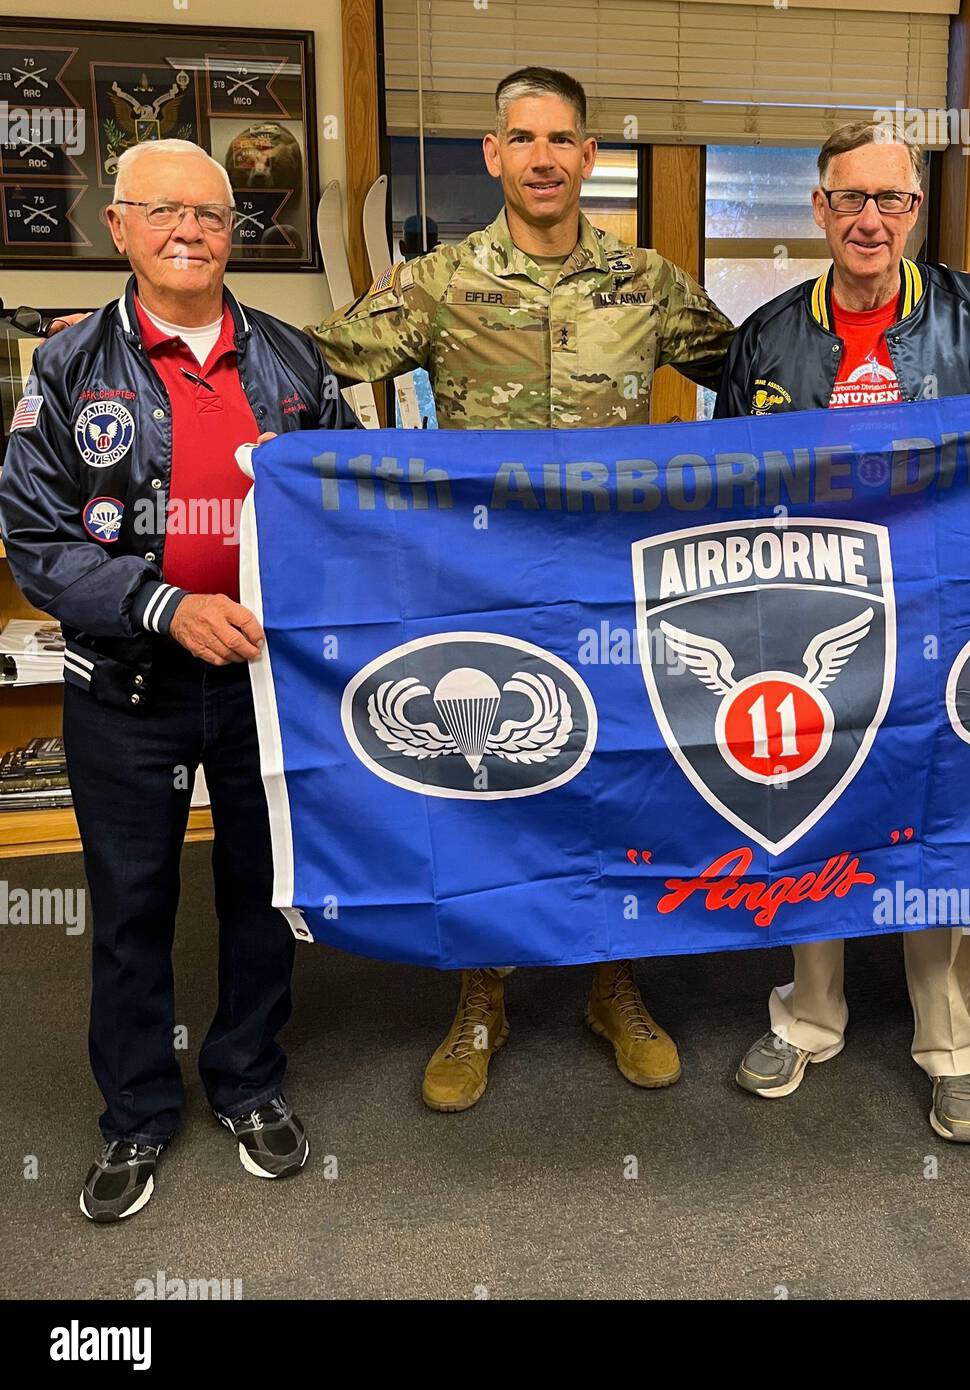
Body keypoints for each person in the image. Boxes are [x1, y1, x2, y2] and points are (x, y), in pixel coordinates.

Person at [305, 66, 735, 1111]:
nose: (543, 157)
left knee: (615, 775)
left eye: (563, 139)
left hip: (609, 579)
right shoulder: (438, 281)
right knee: (487, 776)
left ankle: (613, 982)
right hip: (481, 579)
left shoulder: (647, 280)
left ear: (590, 156)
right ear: (492, 155)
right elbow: (311, 365)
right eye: (521, 138)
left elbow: (764, 372)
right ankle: (480, 995)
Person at [0, 139, 358, 1221]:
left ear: (232, 232)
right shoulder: (65, 369)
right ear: (119, 227)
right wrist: (163, 605)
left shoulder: (294, 363)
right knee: (130, 909)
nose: (188, 231)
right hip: (128, 686)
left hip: (262, 685)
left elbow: (347, 502)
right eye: (161, 212)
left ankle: (249, 1082)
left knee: (261, 895)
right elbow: (34, 538)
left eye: (208, 213)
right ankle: (138, 1115)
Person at [714, 119, 970, 1142]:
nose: (869, 219)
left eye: (890, 200)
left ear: (916, 213)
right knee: (806, 813)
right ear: (819, 210)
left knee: (935, 825)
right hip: (807, 619)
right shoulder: (770, 335)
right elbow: (720, 479)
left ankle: (948, 1043)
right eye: (849, 199)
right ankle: (810, 1020)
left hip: (943, 613)